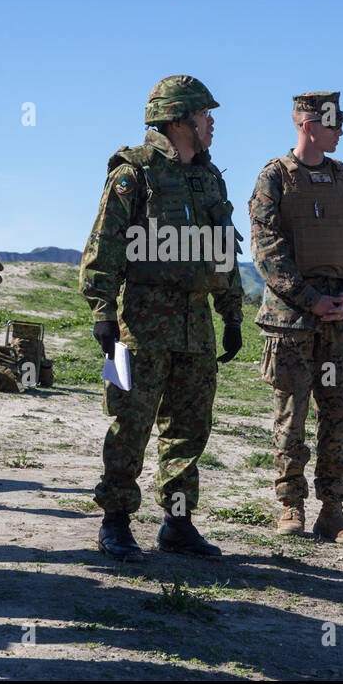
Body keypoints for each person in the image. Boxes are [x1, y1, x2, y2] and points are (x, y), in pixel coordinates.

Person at [80, 74, 244, 562]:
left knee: (189, 428)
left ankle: (177, 523)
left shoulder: (209, 177)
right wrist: (102, 311)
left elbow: (223, 252)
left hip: (195, 324)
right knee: (128, 421)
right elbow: (104, 244)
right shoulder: (134, 172)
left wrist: (231, 314)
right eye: (204, 114)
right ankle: (115, 521)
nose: (212, 122)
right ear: (179, 119)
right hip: (139, 323)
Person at [248, 92, 343, 545]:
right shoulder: (274, 178)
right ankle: (290, 504)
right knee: (291, 416)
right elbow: (267, 249)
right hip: (291, 321)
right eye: (333, 124)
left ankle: (333, 510)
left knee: (336, 415)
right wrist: (309, 299)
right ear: (307, 125)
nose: (341, 131)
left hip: (337, 320)